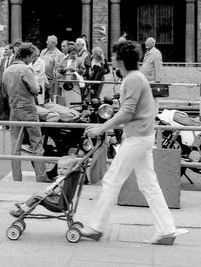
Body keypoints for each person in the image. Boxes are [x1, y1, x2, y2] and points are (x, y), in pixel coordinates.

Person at [80, 41, 188, 245]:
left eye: (114, 57)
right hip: (143, 136)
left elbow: (127, 111)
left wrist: (101, 128)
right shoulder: (137, 78)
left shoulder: (132, 80)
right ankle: (166, 230)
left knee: (112, 179)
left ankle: (96, 227)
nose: (111, 59)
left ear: (120, 60)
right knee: (149, 184)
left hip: (137, 137)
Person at [3, 43, 48, 183]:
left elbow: (4, 92)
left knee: (15, 145)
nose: (33, 59)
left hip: (13, 108)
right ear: (27, 55)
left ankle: (17, 178)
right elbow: (34, 89)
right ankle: (41, 176)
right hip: (28, 108)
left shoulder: (7, 70)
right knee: (36, 142)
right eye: (33, 56)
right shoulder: (26, 68)